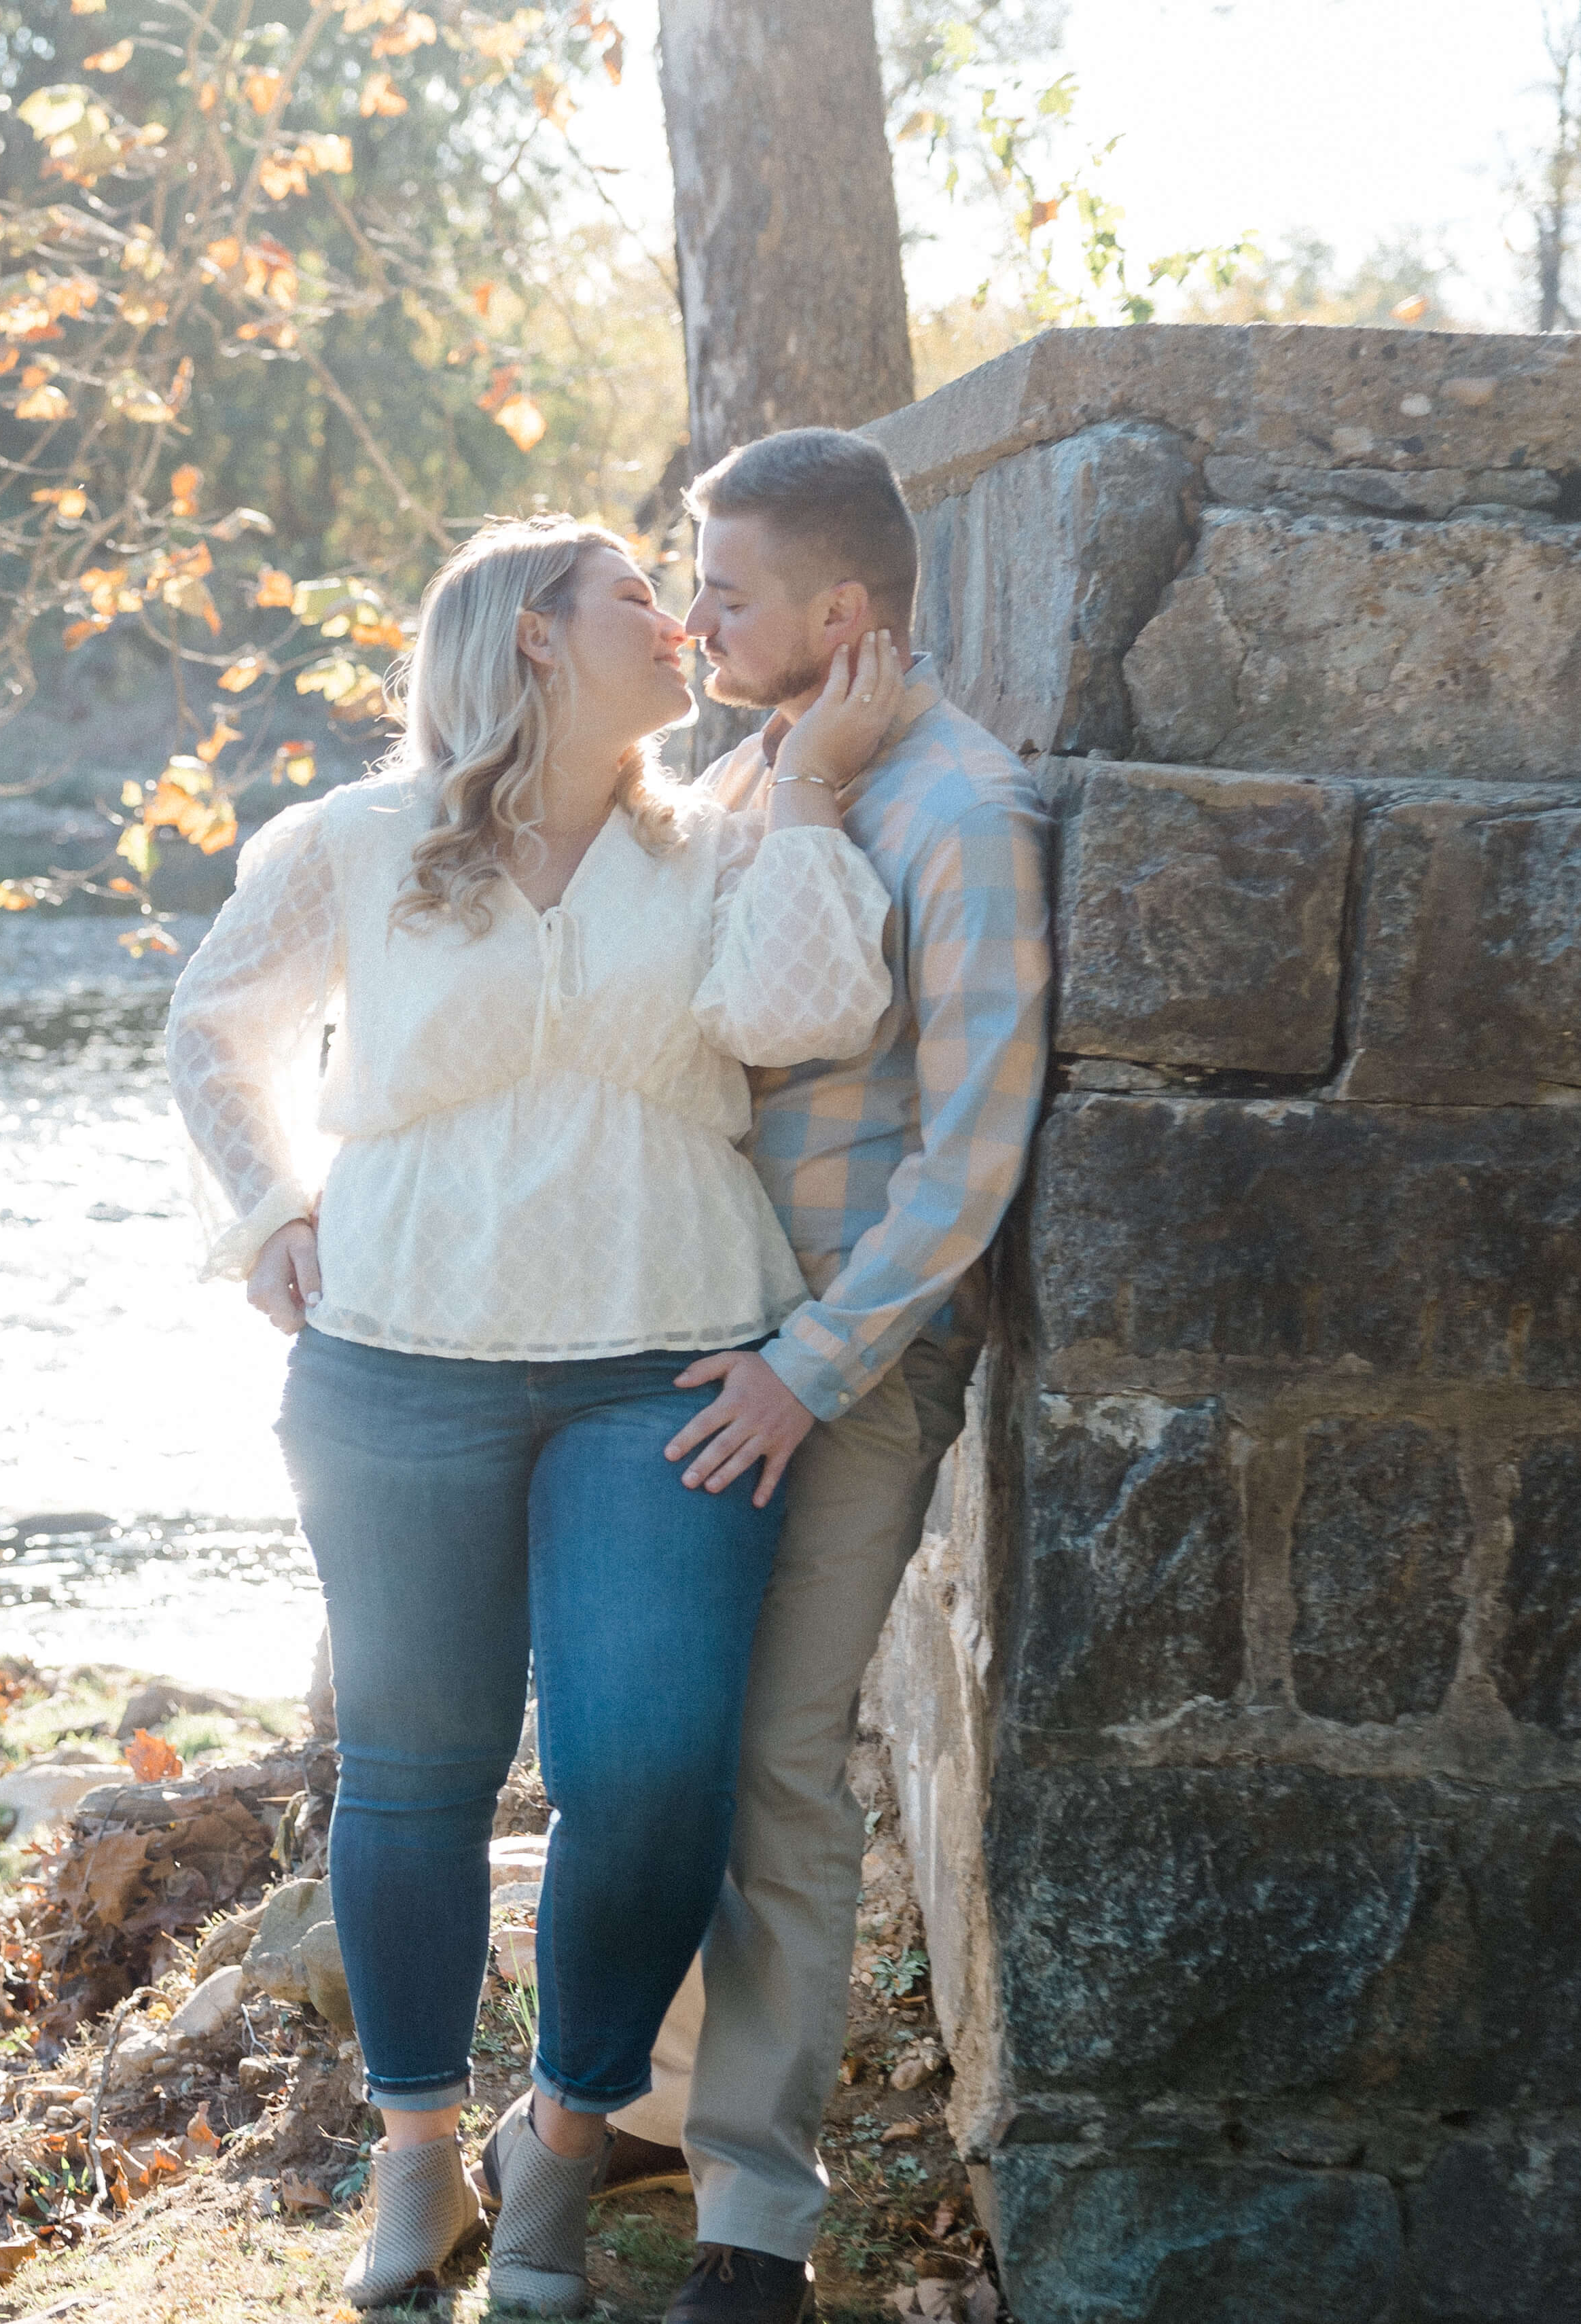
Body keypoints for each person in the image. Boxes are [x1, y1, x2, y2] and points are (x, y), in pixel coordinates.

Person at [166, 512, 907, 2316]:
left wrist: (807, 789)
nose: (676, 623)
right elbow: (214, 1026)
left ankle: (564, 2140)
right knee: (415, 1772)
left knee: (646, 1777)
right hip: (395, 1368)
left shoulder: (724, 843)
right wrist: (268, 1212)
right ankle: (415, 2155)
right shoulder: (353, 841)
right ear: (528, 642)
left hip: (662, 1366)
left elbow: (815, 1013)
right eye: (636, 598)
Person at [608, 428, 1053, 2324]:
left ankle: (754, 2229)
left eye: (721, 591)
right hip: (675, 1336)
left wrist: (807, 1366)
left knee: (782, 1762)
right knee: (654, 1733)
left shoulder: (956, 814)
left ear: (840, 615)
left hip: (838, 1370)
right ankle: (639, 2097)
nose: (689, 616)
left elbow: (972, 1152)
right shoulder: (755, 771)